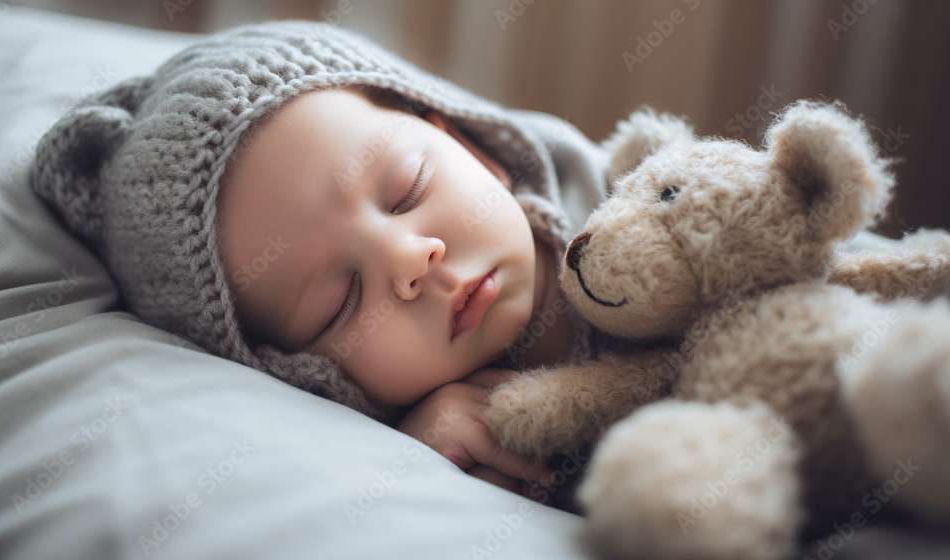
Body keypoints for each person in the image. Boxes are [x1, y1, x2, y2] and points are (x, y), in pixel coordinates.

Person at [32, 20, 610, 509]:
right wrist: (420, 456)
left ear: (471, 145)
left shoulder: (629, 199)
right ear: (309, 377)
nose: (412, 259)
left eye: (408, 191)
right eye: (343, 302)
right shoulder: (415, 462)